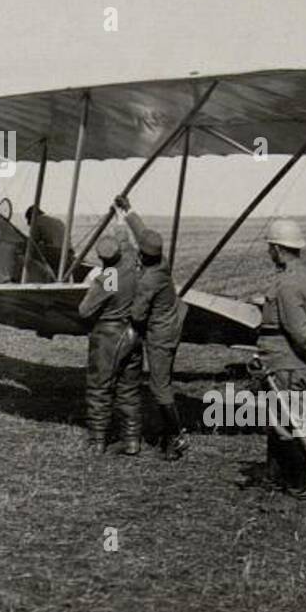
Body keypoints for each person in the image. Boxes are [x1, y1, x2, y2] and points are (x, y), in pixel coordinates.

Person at [251, 219, 306, 497]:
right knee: (280, 421)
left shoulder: (286, 283)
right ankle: (277, 477)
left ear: (277, 248)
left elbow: (298, 330)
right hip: (290, 361)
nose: (268, 252)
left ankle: (298, 483)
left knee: (287, 425)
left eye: (270, 247)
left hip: (284, 363)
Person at [113, 195, 188, 460]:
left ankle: (176, 437)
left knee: (159, 387)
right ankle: (171, 435)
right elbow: (144, 233)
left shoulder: (149, 282)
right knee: (162, 382)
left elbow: (137, 314)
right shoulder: (162, 262)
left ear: (144, 255)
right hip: (170, 325)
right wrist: (128, 211)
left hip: (161, 335)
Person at [77, 235, 143, 456]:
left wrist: (95, 282)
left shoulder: (109, 278)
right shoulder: (133, 266)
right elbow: (131, 245)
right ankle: (132, 441)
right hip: (133, 333)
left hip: (109, 336)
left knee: (99, 388)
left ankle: (97, 442)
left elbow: (84, 310)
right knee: (129, 389)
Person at [23, 205, 68, 279]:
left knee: (24, 251)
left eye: (28, 219)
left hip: (55, 253)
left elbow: (32, 242)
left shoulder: (37, 221)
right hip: (68, 252)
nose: (28, 223)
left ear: (32, 216)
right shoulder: (57, 220)